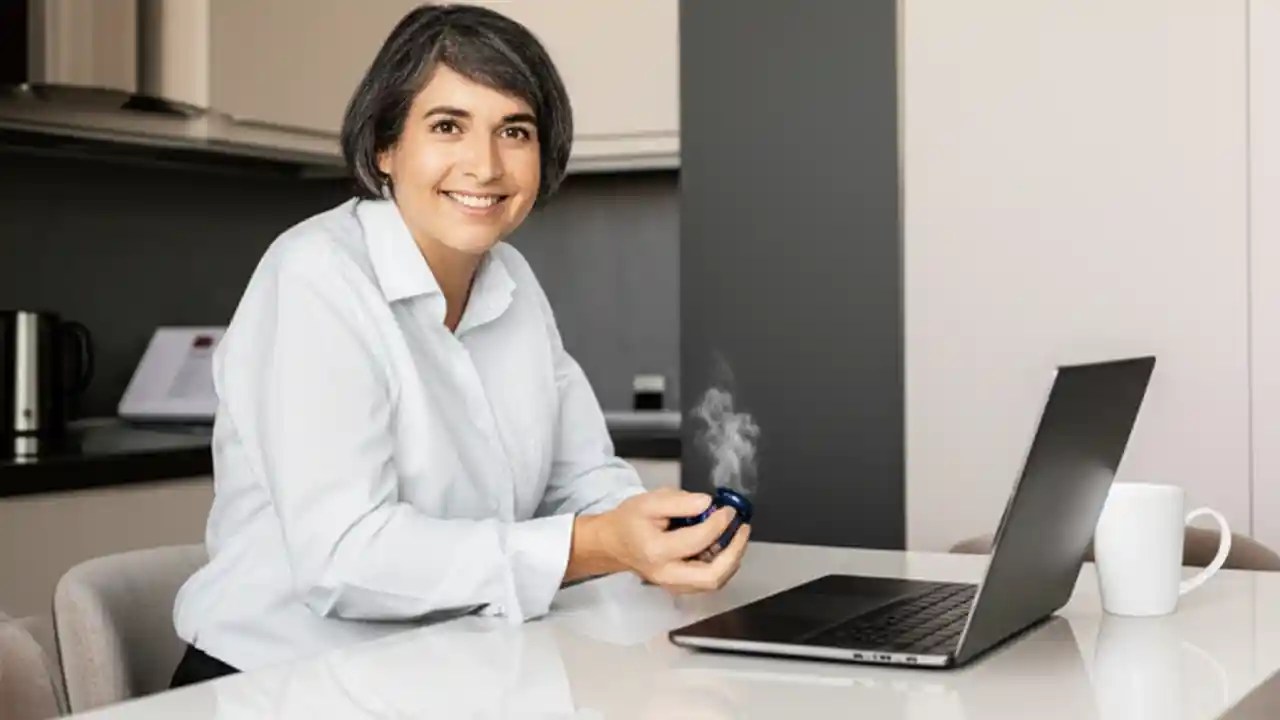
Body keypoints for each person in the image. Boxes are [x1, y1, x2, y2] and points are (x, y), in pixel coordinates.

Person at [169, 3, 749, 688]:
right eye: (448, 126)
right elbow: (346, 556)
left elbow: (580, 478)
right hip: (278, 683)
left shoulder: (512, 283)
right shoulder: (315, 277)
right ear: (386, 147)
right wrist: (596, 546)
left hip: (444, 671)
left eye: (515, 130)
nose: (485, 164)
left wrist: (649, 532)